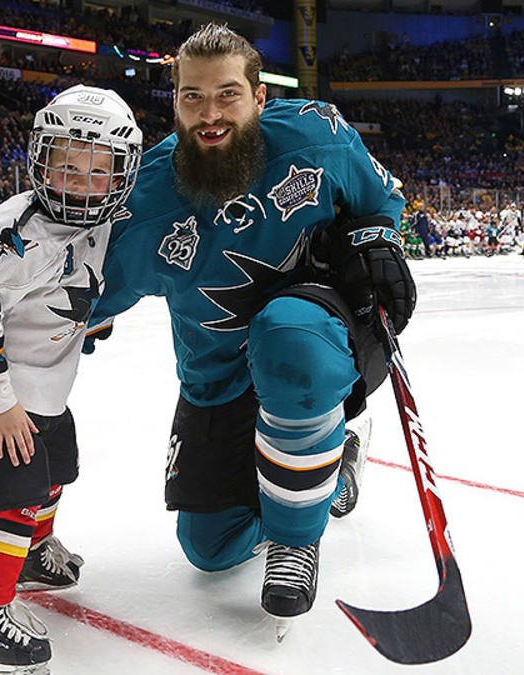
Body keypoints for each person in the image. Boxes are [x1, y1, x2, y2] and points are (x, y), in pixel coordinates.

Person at [85, 23, 414, 634]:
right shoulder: (147, 197)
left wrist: (378, 244)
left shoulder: (319, 136)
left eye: (228, 95)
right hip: (220, 383)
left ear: (260, 98)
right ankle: (328, 463)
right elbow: (87, 299)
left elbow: (382, 203)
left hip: (316, 339)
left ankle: (295, 540)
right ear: (175, 101)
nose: (210, 115)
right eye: (193, 98)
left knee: (286, 339)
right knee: (209, 549)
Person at [0, 85, 143, 675]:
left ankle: (27, 560)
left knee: (56, 473)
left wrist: (81, 326)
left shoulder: (103, 223)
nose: (80, 180)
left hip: (46, 386)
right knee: (13, 499)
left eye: (99, 170)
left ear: (120, 176)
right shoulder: (10, 232)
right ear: (39, 158)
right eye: (66, 163)